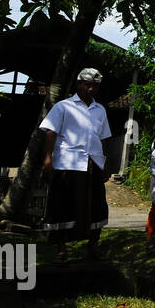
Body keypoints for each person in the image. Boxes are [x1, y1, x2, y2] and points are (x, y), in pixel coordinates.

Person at [39, 68, 112, 263]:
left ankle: (93, 245)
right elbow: (50, 132)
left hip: (93, 162)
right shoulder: (63, 107)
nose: (91, 89)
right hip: (67, 162)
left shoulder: (100, 110)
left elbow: (104, 137)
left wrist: (104, 162)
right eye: (87, 85)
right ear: (79, 84)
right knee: (63, 205)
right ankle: (61, 248)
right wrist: (47, 160)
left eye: (95, 86)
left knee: (97, 205)